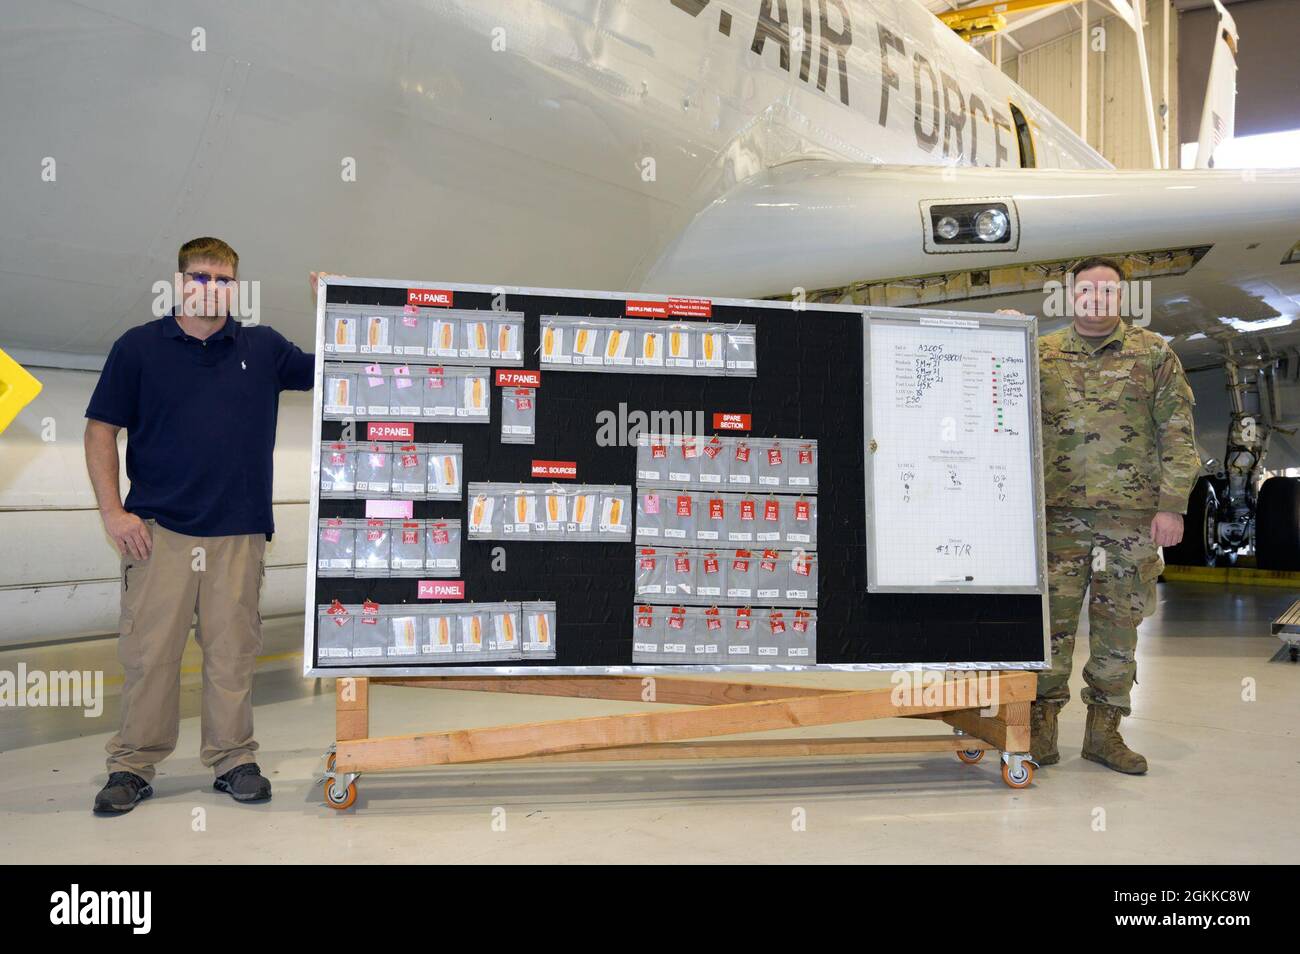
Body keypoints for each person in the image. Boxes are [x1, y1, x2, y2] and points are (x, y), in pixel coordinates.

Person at [84, 237, 314, 813]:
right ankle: (133, 766)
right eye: (201, 276)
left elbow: (332, 371)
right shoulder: (138, 348)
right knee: (149, 654)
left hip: (237, 531)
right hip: (159, 531)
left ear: (236, 286)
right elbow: (99, 430)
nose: (212, 288)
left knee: (233, 652)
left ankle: (234, 758)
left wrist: (335, 305)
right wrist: (114, 512)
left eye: (223, 279)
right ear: (180, 281)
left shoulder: (263, 348)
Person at [1010, 257, 1200, 774]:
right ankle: (1041, 724)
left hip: (1131, 519)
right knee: (1051, 626)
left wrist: (1172, 507)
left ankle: (1104, 733)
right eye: (1086, 290)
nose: (1096, 299)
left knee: (1119, 624)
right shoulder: (1039, 353)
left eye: (1108, 291)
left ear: (1122, 298)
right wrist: (998, 335)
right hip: (1054, 515)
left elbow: (1179, 435)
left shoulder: (1154, 354)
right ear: (1070, 297)